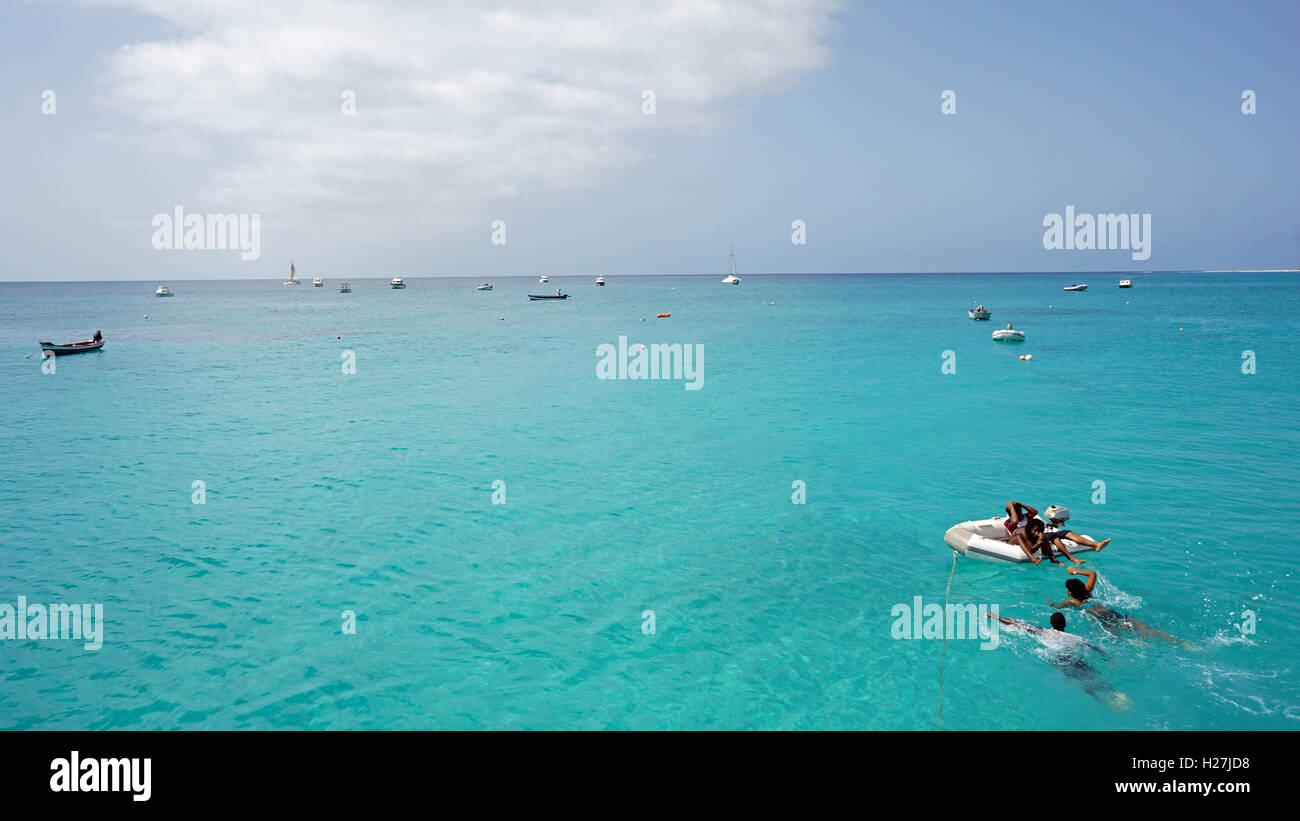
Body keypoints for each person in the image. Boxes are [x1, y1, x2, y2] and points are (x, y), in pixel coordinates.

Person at [987, 611, 1127, 707]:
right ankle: (1115, 693)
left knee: (1085, 686)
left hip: (1063, 664)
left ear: (1051, 624)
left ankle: (1103, 702)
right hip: (1077, 660)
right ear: (1064, 624)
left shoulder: (1043, 632)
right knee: (1092, 675)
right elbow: (1095, 647)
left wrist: (996, 617)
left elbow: (1019, 624)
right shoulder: (1076, 638)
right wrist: (1108, 658)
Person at [1048, 568, 1189, 647]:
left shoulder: (1072, 601)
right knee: (1145, 629)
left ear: (1071, 592)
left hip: (1101, 619)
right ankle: (1180, 642)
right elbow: (1093, 573)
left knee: (1119, 638)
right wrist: (1075, 571)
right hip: (1111, 612)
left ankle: (1137, 644)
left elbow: (1059, 607)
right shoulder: (1088, 592)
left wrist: (1051, 603)